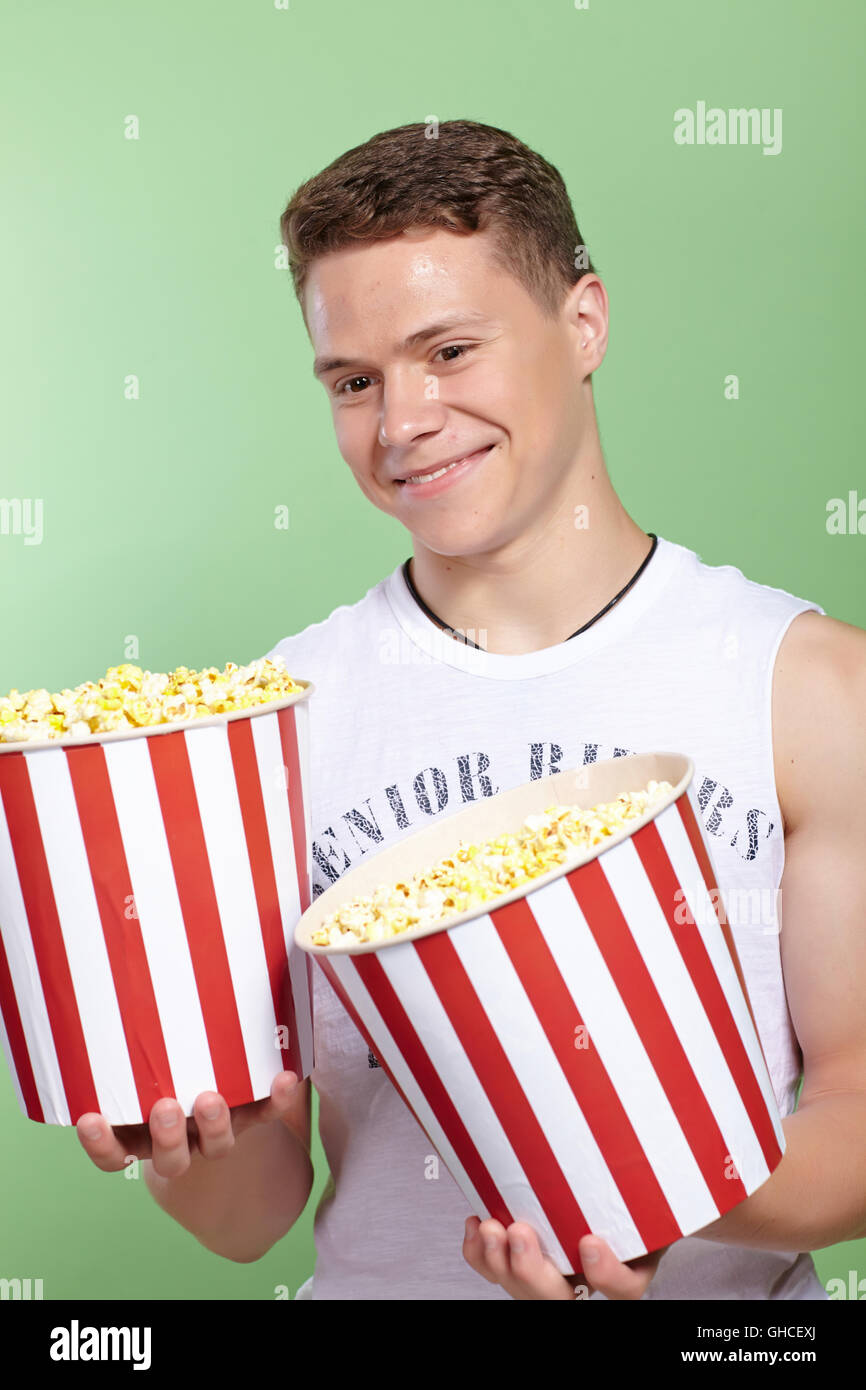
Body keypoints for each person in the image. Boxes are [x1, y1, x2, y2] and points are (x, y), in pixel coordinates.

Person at [76, 119, 866, 1301]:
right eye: (354, 381)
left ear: (583, 320)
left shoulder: (805, 687)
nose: (401, 424)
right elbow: (255, 1220)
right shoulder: (267, 728)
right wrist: (184, 1146)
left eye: (447, 350)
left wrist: (643, 1195)